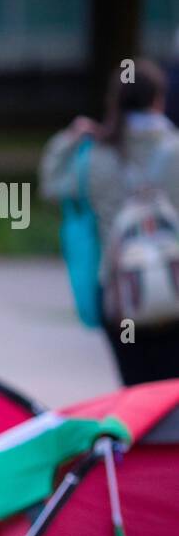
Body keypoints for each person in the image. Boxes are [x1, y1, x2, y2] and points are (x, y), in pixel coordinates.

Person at [39, 59, 179, 385]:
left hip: (120, 295)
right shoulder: (175, 150)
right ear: (158, 99)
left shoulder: (95, 156)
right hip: (174, 287)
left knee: (135, 392)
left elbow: (52, 184)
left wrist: (71, 137)